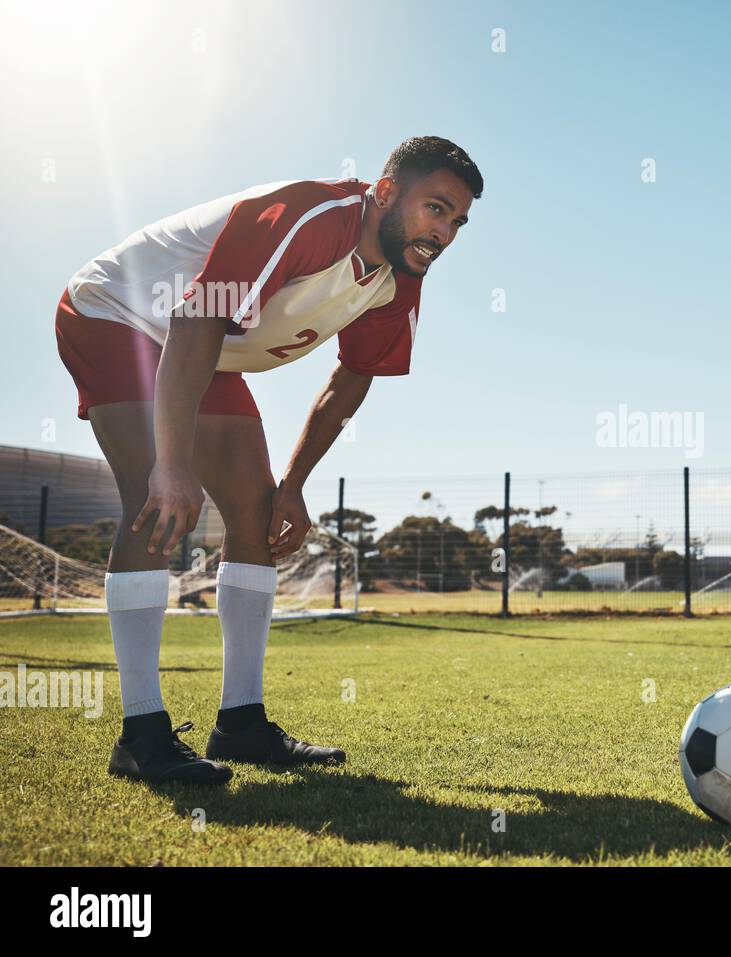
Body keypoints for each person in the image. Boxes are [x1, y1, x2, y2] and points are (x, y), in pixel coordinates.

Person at [54, 136, 483, 784]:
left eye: (457, 221)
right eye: (436, 208)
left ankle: (242, 723)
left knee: (255, 513)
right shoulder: (312, 217)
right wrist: (172, 464)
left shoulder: (400, 277)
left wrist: (295, 484)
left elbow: (352, 378)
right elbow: (197, 318)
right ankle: (140, 734)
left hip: (202, 340)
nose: (444, 233)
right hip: (118, 311)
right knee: (155, 501)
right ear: (386, 192)